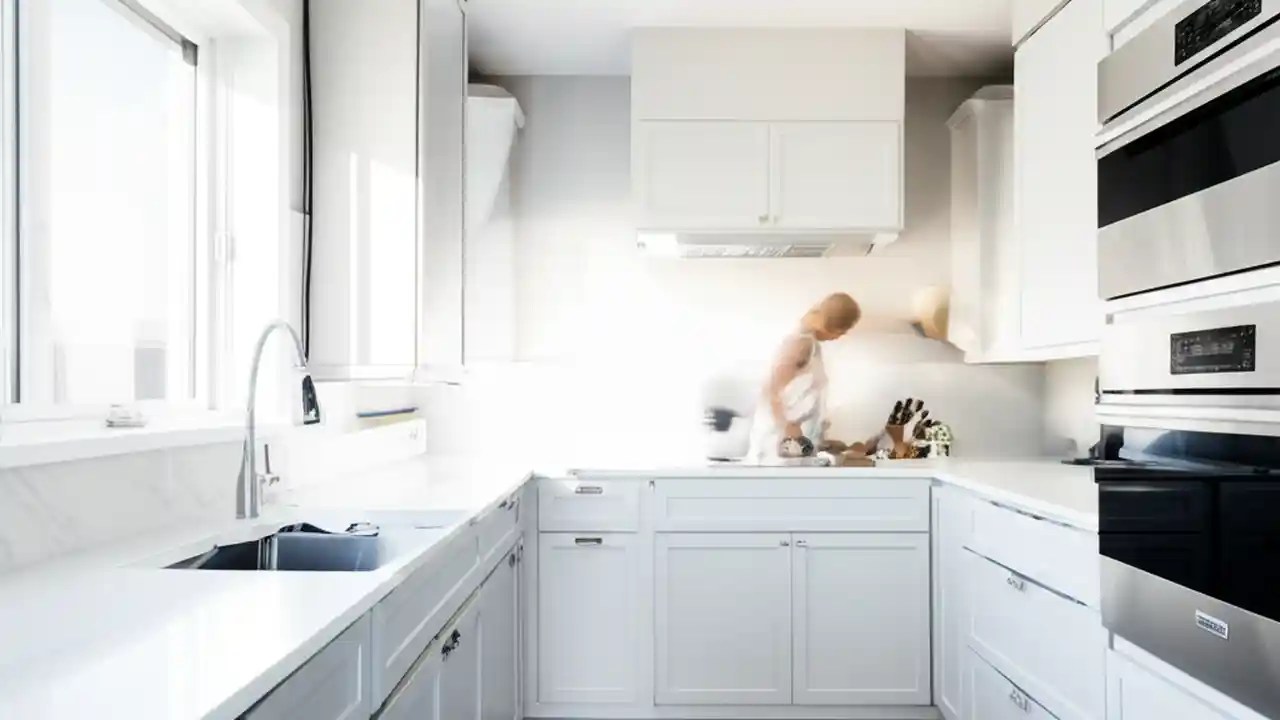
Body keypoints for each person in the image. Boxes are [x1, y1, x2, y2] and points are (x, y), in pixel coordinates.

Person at [747, 292, 861, 461]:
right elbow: (770, 389)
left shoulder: (811, 345)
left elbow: (804, 396)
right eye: (843, 330)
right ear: (832, 326)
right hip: (780, 443)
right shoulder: (800, 343)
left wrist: (820, 440)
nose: (841, 336)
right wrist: (787, 427)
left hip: (796, 442)